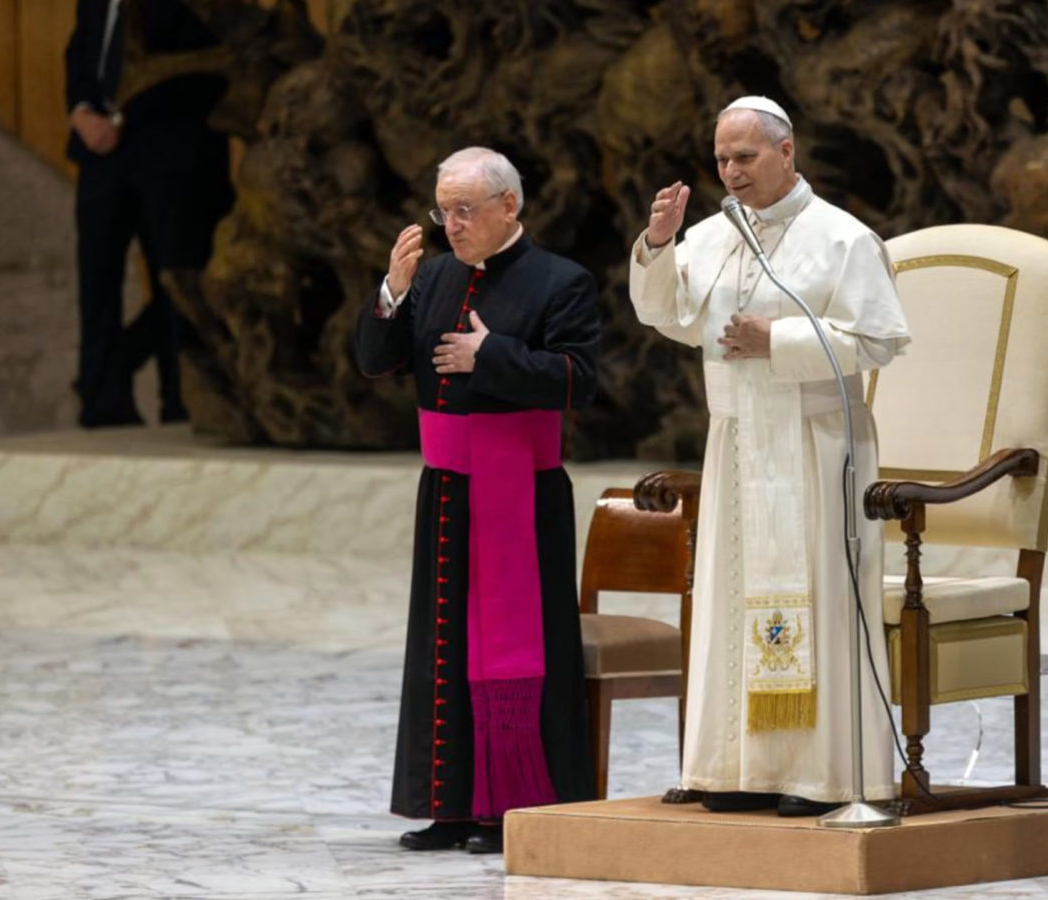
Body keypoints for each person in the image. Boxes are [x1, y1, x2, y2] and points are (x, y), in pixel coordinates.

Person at [628, 96, 911, 816]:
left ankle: (819, 776)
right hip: (737, 442)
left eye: (745, 157)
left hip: (817, 443)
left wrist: (776, 341)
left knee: (817, 598)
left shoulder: (843, 238)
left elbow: (880, 341)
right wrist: (658, 244)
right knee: (732, 600)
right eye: (722, 159)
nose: (731, 171)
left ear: (787, 152)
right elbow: (662, 312)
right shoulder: (713, 235)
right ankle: (733, 769)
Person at [355, 147, 599, 853]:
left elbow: (579, 379)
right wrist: (392, 291)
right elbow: (375, 361)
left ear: (509, 205)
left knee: (518, 648)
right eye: (443, 212)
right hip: (446, 492)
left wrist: (488, 356)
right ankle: (452, 807)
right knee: (445, 645)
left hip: (522, 495)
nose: (452, 225)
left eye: (465, 210)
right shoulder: (433, 277)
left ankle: (515, 807)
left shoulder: (562, 281)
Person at [65, 0, 234, 427]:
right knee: (96, 280)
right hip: (100, 158)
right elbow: (80, 53)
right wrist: (81, 112)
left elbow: (201, 65)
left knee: (175, 284)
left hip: (169, 155)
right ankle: (102, 402)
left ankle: (180, 399)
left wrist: (122, 116)